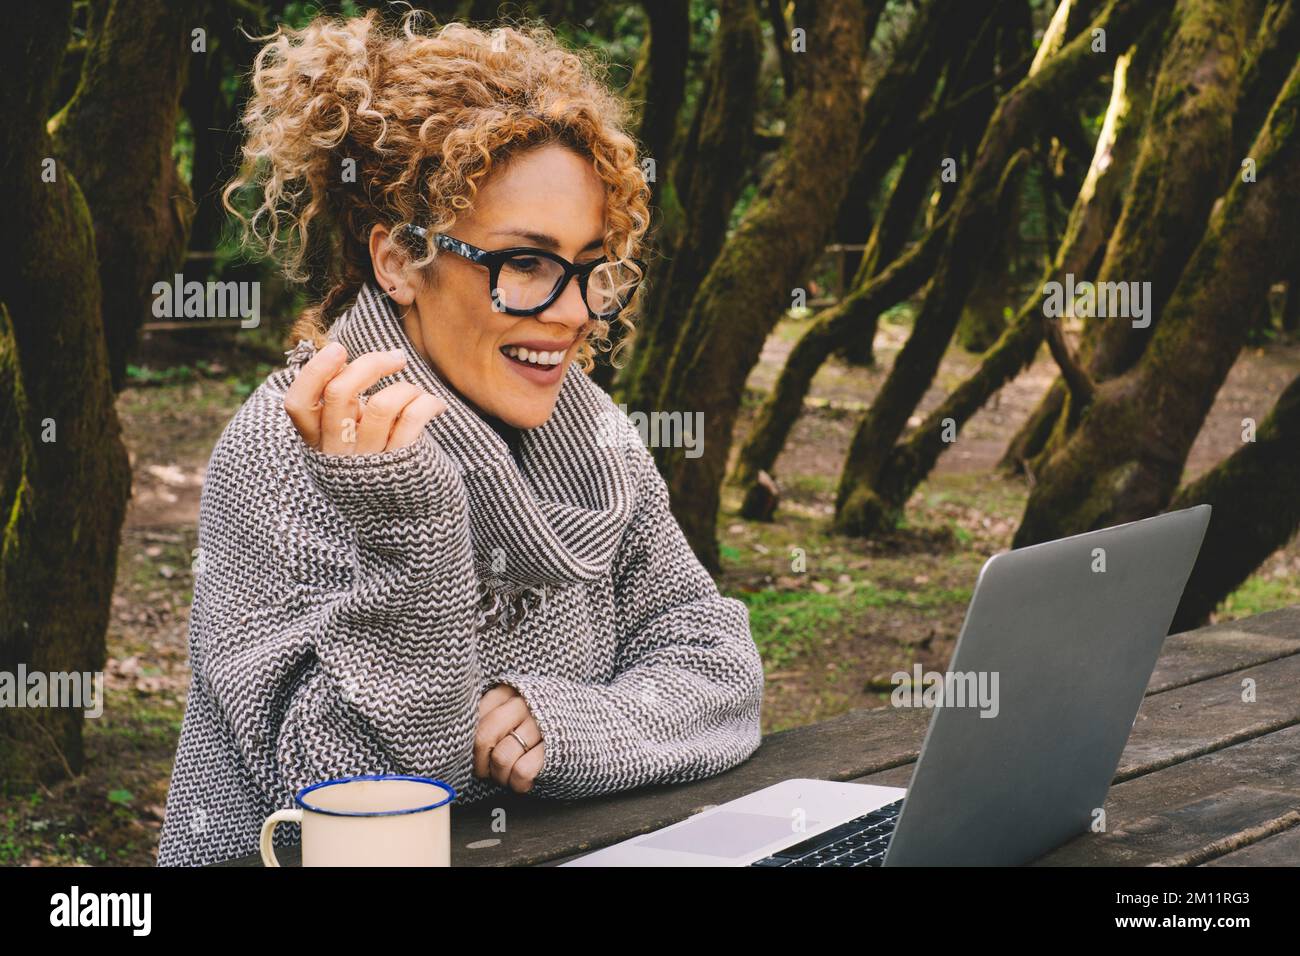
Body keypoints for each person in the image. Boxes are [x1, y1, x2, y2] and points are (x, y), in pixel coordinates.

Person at [156, 8, 764, 867]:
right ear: (399, 259)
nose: (573, 311)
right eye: (524, 262)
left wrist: (573, 724)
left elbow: (718, 663)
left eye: (593, 265)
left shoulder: (589, 441)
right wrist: (410, 532)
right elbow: (343, 794)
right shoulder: (282, 456)